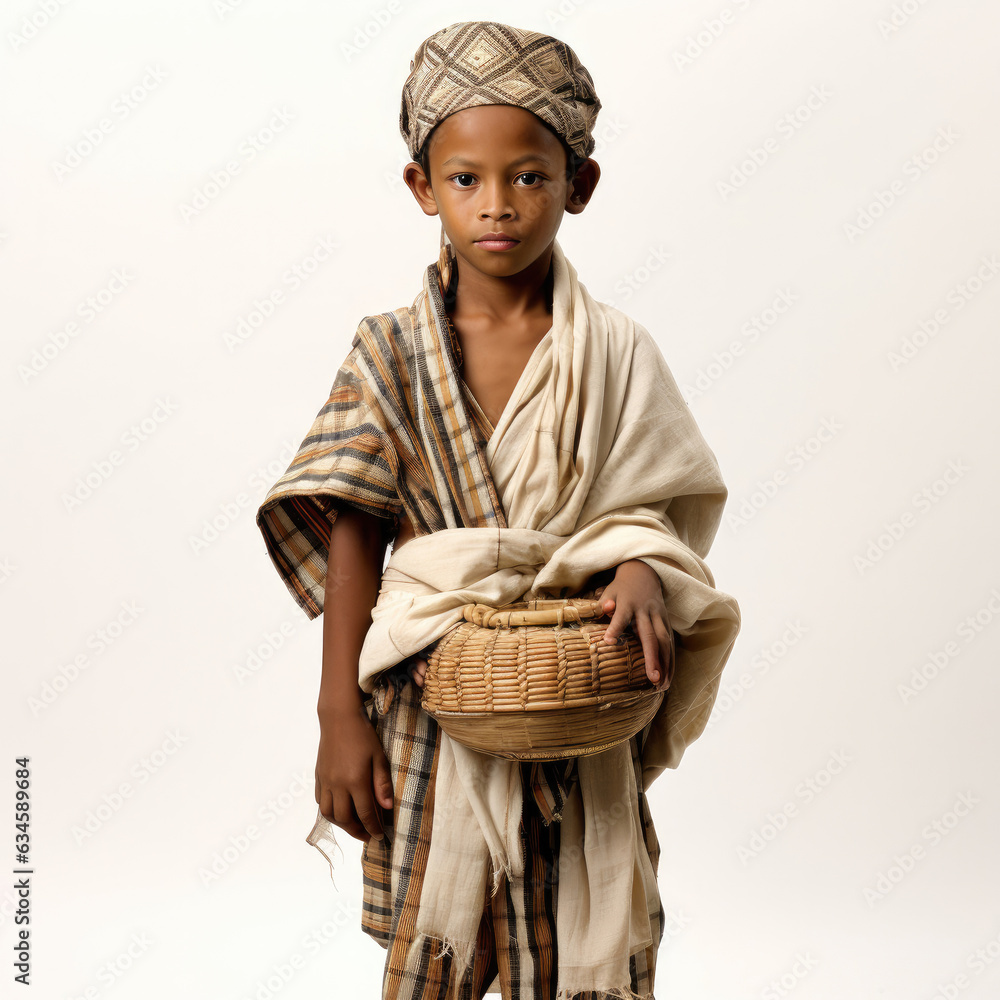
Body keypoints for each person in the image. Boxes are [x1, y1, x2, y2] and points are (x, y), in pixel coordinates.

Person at [256, 20, 741, 1000]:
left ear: (579, 185)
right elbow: (351, 522)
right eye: (466, 178)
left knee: (580, 929)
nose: (499, 206)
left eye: (529, 176)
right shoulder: (388, 349)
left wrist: (641, 565)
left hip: (576, 701)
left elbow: (649, 506)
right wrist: (335, 712)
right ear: (421, 189)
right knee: (443, 945)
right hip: (436, 699)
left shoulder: (616, 349)